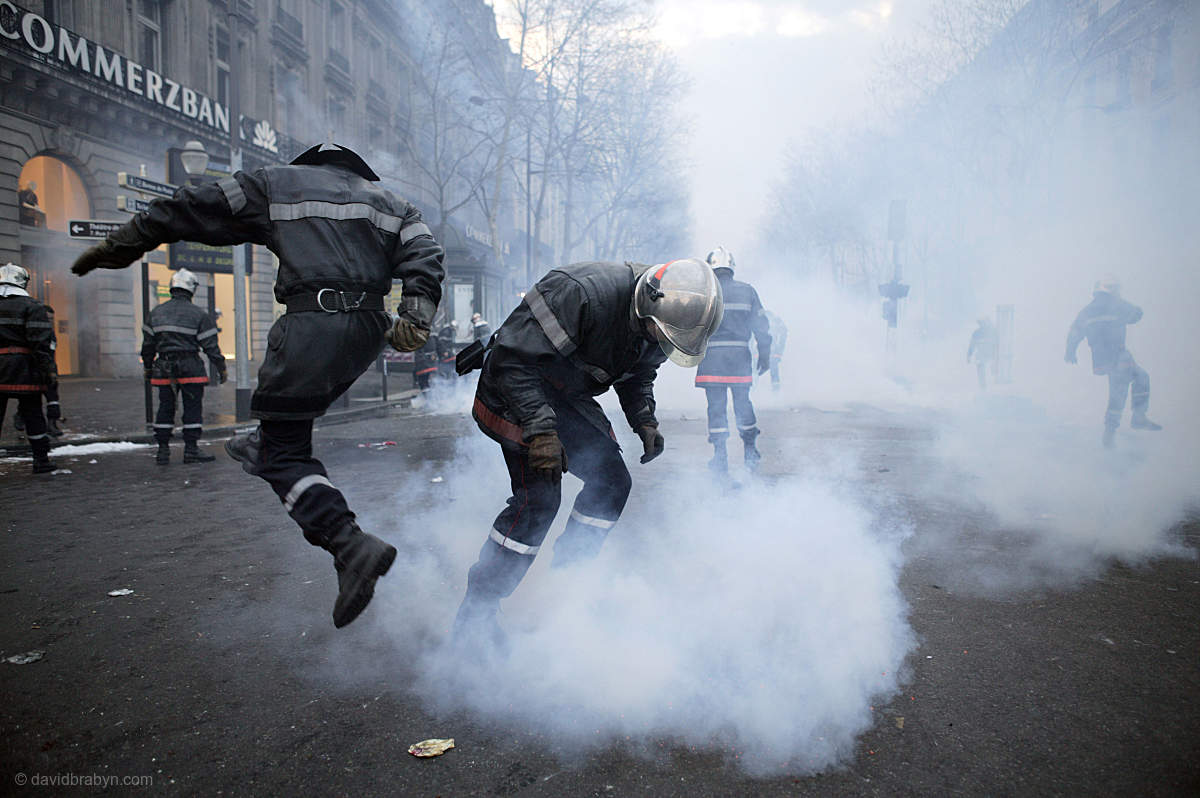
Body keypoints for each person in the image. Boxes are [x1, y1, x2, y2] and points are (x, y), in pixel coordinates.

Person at [71, 142, 445, 628]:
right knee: (284, 432)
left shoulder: (277, 182)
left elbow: (191, 205)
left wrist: (122, 244)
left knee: (282, 452)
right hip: (367, 333)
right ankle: (267, 443)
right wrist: (416, 315)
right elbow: (425, 255)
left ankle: (349, 543)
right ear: (356, 169)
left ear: (307, 163)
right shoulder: (394, 203)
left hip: (311, 328)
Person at [453, 258, 723, 642]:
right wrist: (542, 434)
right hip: (515, 387)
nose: (659, 343)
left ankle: (567, 586)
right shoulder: (580, 293)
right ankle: (476, 614)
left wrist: (644, 420)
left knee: (613, 482)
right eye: (659, 333)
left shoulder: (661, 324)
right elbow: (515, 364)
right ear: (646, 303)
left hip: (565, 395)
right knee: (540, 499)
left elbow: (638, 373)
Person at [695, 246, 771, 474]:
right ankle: (750, 450)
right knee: (743, 403)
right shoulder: (748, 291)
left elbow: (690, 329)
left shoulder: (703, 294)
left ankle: (720, 457)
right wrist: (765, 354)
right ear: (731, 268)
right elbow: (761, 326)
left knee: (716, 407)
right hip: (739, 359)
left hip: (712, 360)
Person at [142, 268, 227, 465]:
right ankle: (191, 450)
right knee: (192, 408)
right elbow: (211, 347)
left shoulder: (156, 313)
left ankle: (163, 451)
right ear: (191, 289)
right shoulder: (199, 314)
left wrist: (148, 368)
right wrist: (221, 367)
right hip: (191, 368)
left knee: (165, 407)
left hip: (164, 368)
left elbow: (148, 346)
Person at [1065, 275, 1161, 448]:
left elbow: (1075, 331)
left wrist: (1070, 351)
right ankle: (1119, 428)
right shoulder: (1117, 305)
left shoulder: (1088, 310)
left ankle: (1123, 425)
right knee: (1123, 389)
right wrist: (1124, 304)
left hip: (1103, 359)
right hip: (1118, 355)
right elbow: (1137, 314)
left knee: (1134, 381)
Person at [0, 263, 56, 473]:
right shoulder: (33, 307)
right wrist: (48, 370)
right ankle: (41, 460)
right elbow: (40, 343)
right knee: (33, 414)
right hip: (25, 369)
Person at [12, 300, 64, 437]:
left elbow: (51, 352)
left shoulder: (51, 334)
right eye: (47, 318)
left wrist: (52, 370)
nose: (50, 321)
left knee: (53, 397)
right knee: (31, 397)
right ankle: (20, 416)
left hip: (48, 369)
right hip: (33, 370)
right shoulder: (33, 332)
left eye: (52, 319)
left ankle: (52, 424)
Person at [968, 316, 999, 390]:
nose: (982, 324)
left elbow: (998, 344)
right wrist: (969, 354)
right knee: (980, 367)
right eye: (980, 322)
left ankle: (994, 383)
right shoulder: (977, 333)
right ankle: (983, 387)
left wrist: (996, 356)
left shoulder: (993, 331)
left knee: (994, 369)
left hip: (992, 354)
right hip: (981, 355)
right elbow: (972, 344)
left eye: (983, 322)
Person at [763, 309, 787, 391]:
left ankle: (754, 392)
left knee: (755, 372)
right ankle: (775, 392)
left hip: (766, 352)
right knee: (774, 373)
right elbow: (784, 333)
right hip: (772, 352)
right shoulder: (776, 321)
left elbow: (783, 333)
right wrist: (780, 350)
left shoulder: (774, 321)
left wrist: (780, 350)